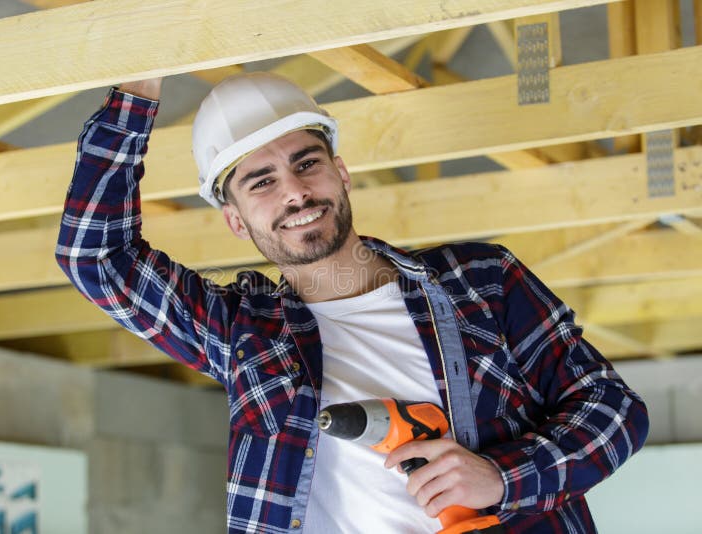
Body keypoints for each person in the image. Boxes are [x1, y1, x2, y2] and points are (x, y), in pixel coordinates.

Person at [56, 72, 648, 533]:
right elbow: (96, 258)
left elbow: (614, 408)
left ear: (341, 172)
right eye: (260, 181)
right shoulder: (246, 335)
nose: (294, 191)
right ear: (236, 220)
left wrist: (502, 476)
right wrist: (138, 90)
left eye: (306, 163)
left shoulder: (480, 280)